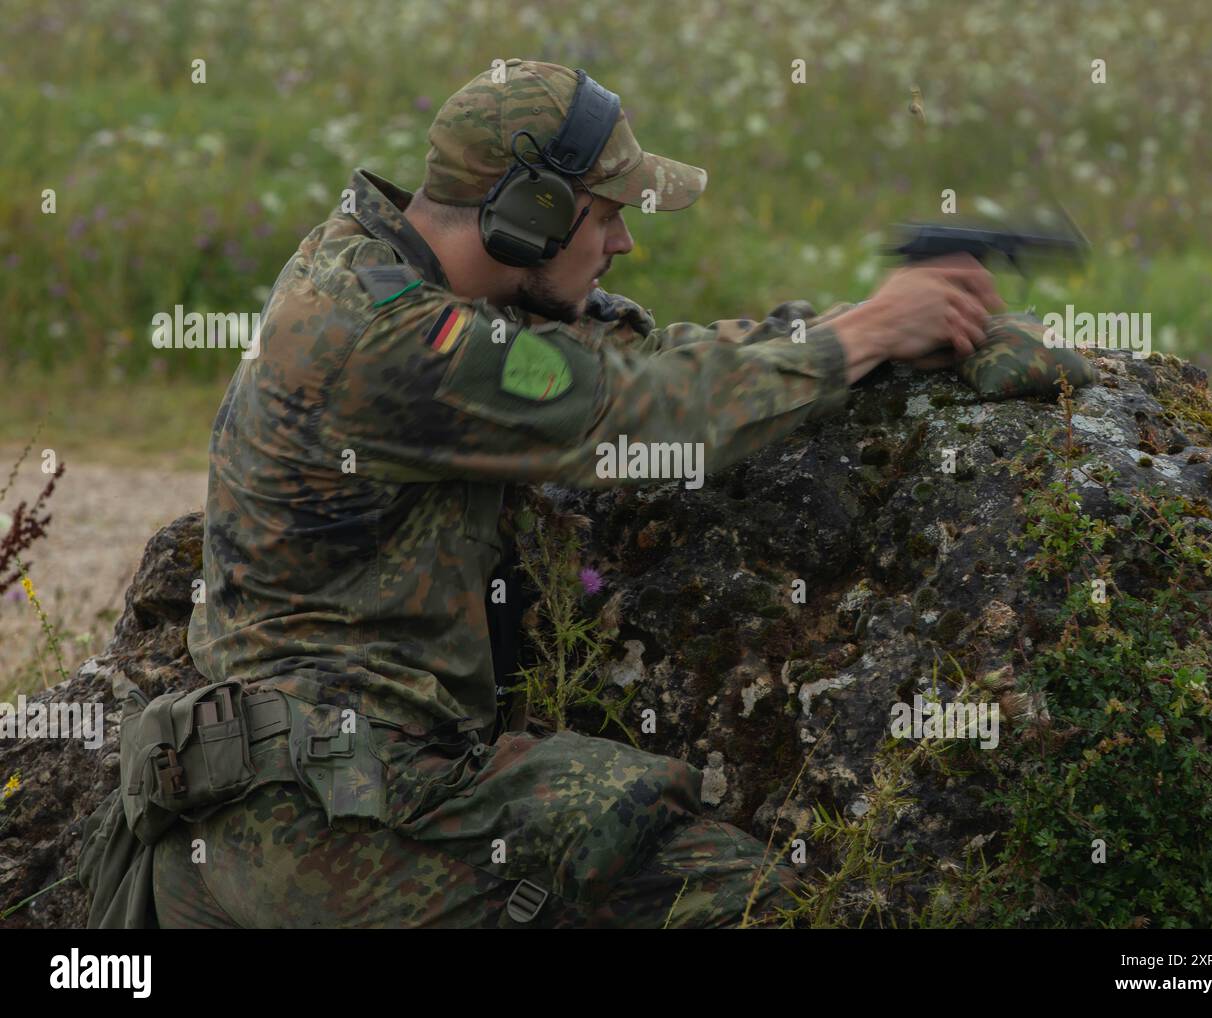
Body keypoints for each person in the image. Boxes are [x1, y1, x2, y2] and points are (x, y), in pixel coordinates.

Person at [151, 60, 1003, 928]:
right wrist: (863, 335)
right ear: (532, 215)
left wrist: (869, 332)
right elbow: (640, 417)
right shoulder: (393, 338)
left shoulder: (385, 263)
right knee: (746, 905)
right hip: (335, 823)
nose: (624, 242)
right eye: (608, 214)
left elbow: (641, 358)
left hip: (293, 794)